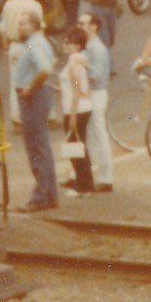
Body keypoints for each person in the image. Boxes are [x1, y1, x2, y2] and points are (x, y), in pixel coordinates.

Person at [10, 8, 59, 213]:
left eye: (22, 24)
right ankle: (50, 195)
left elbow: (45, 69)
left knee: (36, 149)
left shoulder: (33, 43)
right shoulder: (42, 41)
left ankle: (39, 198)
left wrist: (29, 88)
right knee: (43, 147)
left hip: (33, 99)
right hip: (39, 98)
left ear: (32, 25)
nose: (18, 27)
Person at [75, 14, 115, 193]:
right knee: (86, 135)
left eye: (83, 23)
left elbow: (97, 76)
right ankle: (80, 175)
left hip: (96, 95)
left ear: (93, 27)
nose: (79, 26)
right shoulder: (84, 46)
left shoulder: (97, 49)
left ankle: (106, 179)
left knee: (99, 136)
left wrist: (82, 67)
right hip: (86, 95)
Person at [58, 26, 94, 195]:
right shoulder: (77, 61)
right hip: (81, 109)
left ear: (78, 46)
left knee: (77, 149)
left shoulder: (74, 64)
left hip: (76, 111)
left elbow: (77, 90)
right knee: (78, 148)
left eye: (69, 42)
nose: (64, 44)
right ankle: (83, 181)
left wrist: (72, 116)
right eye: (64, 41)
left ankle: (84, 186)